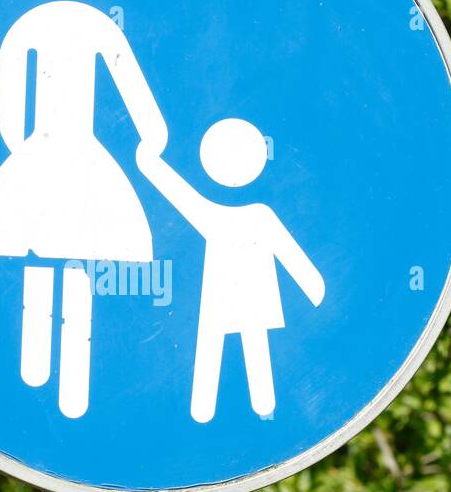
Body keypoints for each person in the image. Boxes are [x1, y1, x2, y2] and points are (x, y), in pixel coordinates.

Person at [0, 0, 167, 419]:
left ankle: (44, 374)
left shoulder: (32, 23)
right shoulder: (94, 22)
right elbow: (133, 89)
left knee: (45, 253)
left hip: (42, 150)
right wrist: (152, 136)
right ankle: (62, 383)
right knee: (79, 254)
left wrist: (22, 153)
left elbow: (8, 104)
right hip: (71, 152)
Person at [136, 118, 325, 422]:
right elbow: (181, 196)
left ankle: (228, 412)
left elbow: (288, 252)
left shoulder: (231, 216)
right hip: (228, 296)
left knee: (238, 347)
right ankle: (215, 413)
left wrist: (150, 164)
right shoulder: (245, 215)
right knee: (232, 346)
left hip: (236, 297)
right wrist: (314, 287)